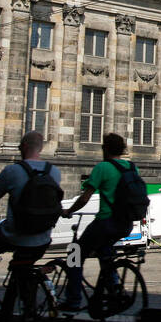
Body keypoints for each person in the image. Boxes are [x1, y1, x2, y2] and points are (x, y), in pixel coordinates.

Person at [0, 132, 63, 320]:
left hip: (15, 236)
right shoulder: (54, 172)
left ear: (22, 146)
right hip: (43, 239)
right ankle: (27, 311)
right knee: (24, 267)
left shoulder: (12, 172)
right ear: (42, 148)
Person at [61, 133, 139, 312]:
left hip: (106, 222)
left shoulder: (103, 167)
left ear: (105, 149)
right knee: (106, 253)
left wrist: (68, 211)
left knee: (75, 253)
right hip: (125, 224)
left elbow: (84, 198)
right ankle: (113, 290)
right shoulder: (131, 167)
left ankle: (73, 299)